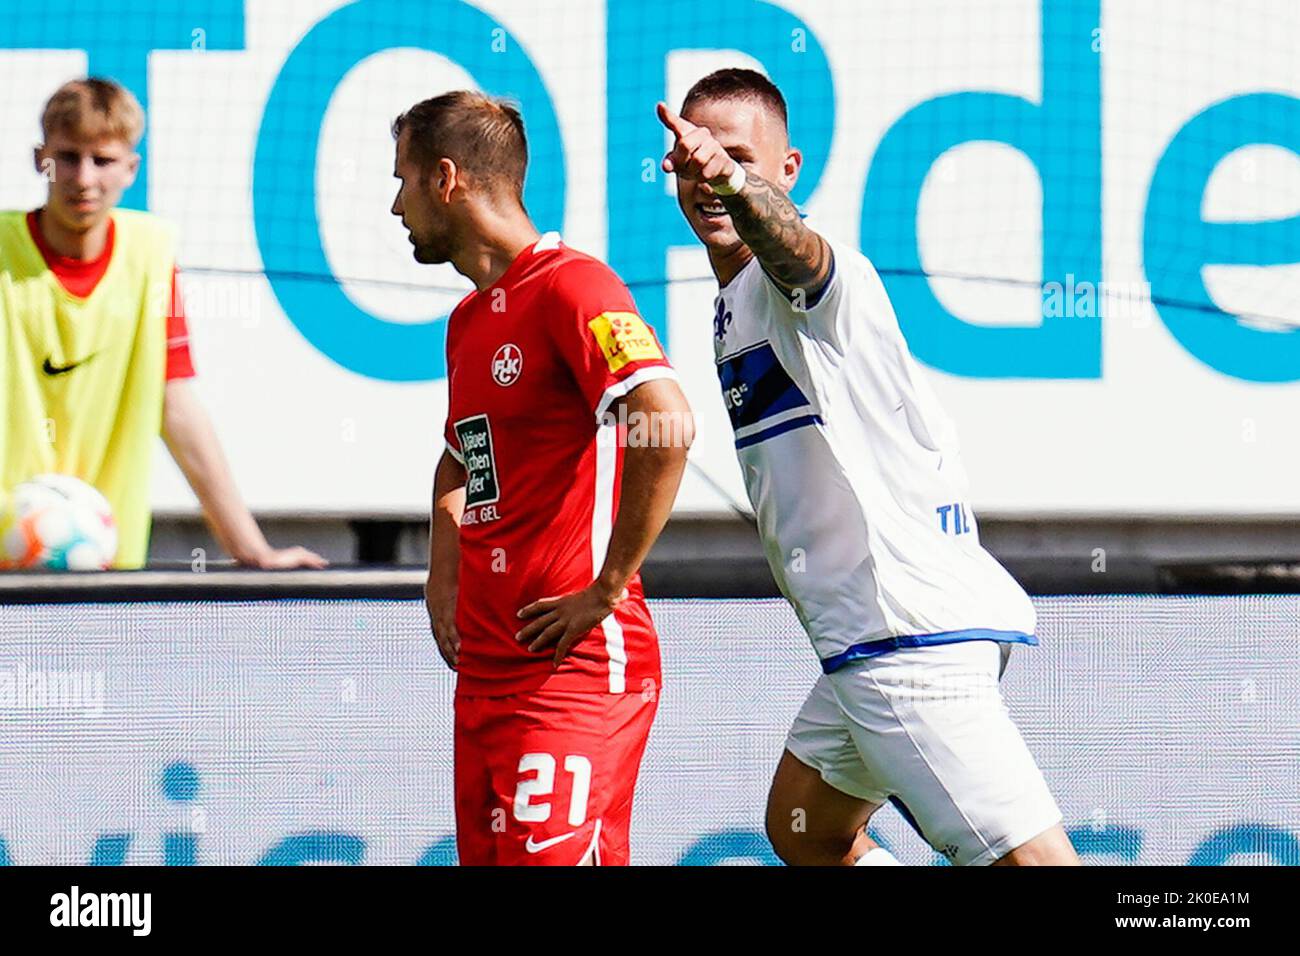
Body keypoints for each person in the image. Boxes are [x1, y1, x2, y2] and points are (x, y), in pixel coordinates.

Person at [659, 68, 1079, 866]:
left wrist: (738, 189)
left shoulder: (813, 276)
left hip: (904, 643)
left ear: (788, 172)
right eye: (694, 155)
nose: (709, 173)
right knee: (804, 827)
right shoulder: (731, 301)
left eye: (736, 156)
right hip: (870, 644)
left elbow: (799, 252)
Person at [393, 91, 692, 865]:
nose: (394, 205)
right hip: (487, 677)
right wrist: (442, 576)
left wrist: (608, 587)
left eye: (402, 180)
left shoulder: (573, 286)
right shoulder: (468, 321)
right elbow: (462, 457)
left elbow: (666, 423)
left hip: (574, 672)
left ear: (445, 180)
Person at [0, 77, 326, 571]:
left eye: (103, 160)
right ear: (39, 159)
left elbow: (176, 405)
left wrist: (252, 549)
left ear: (131, 168)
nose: (84, 178)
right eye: (67, 157)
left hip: (108, 564)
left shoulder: (150, 255)